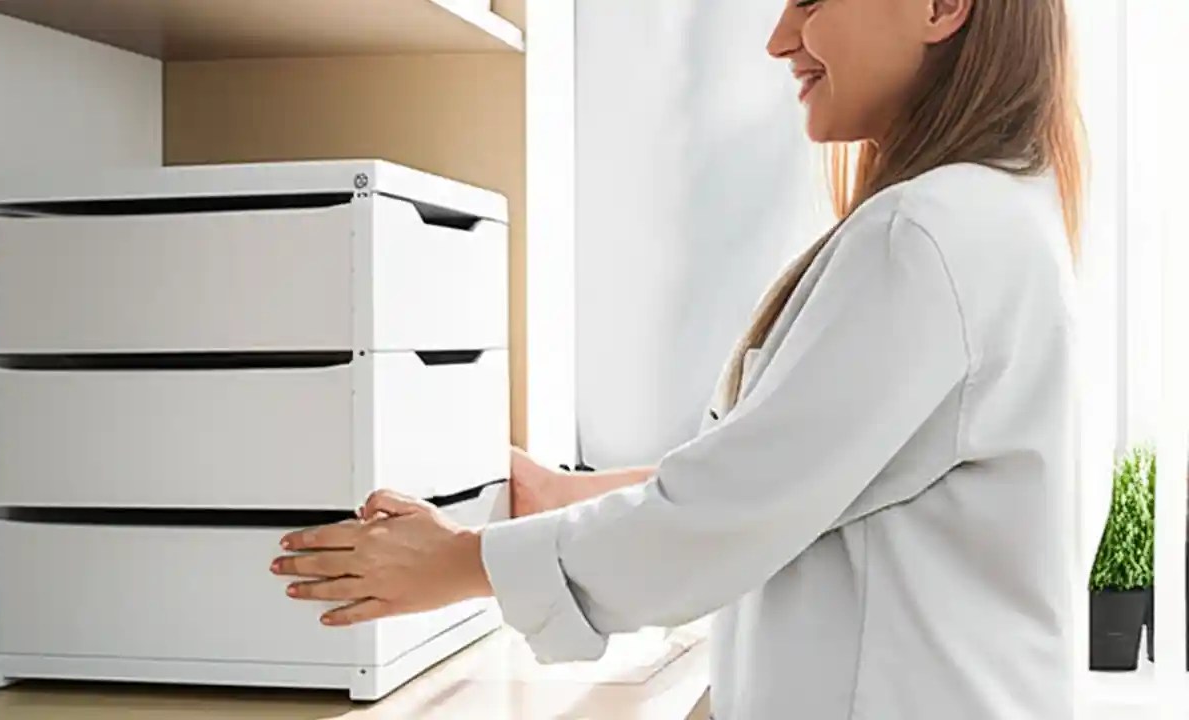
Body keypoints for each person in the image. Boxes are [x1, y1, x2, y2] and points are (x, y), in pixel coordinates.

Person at [269, 0, 1085, 716]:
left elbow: (729, 513)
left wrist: (458, 564)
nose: (779, 39)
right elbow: (797, 474)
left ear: (941, 5)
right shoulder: (997, 216)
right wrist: (565, 498)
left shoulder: (924, 234)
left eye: (811, 0)